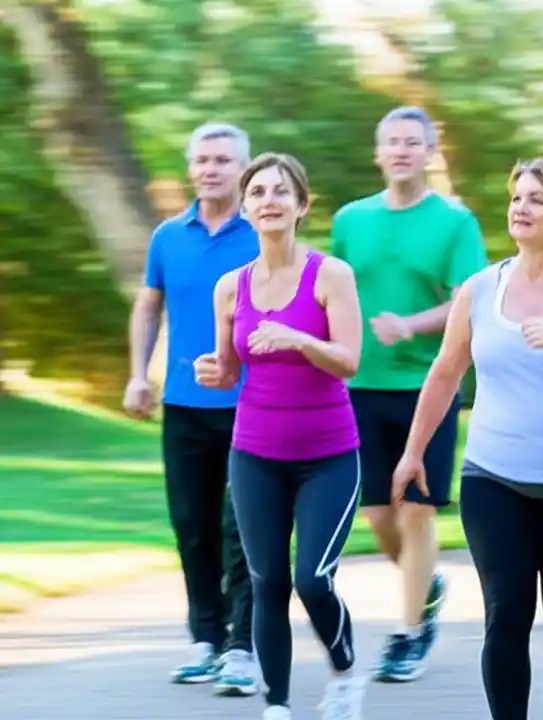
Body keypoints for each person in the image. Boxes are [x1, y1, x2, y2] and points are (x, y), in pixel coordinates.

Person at [391, 157, 543, 720]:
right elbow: (446, 373)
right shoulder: (478, 290)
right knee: (506, 613)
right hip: (495, 479)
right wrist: (413, 452)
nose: (520, 209)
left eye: (536, 200)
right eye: (516, 198)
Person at [195, 152, 367, 720]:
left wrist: (298, 339)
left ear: (302, 205)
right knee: (268, 579)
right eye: (259, 192)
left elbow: (348, 361)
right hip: (255, 454)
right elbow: (229, 367)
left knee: (312, 579)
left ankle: (344, 673)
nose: (269, 201)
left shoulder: (330, 275)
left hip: (329, 457)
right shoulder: (230, 287)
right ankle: (279, 704)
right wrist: (213, 371)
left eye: (280, 192)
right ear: (245, 209)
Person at [330, 106, 489, 682]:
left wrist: (411, 324)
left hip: (429, 387)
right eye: (391, 142)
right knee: (378, 517)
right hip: (359, 388)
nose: (401, 151)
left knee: (417, 513)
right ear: (379, 153)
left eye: (412, 142)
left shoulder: (454, 223)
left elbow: (469, 300)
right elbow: (333, 293)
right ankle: (427, 586)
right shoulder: (351, 220)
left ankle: (409, 634)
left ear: (429, 152)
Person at [125, 121, 259, 694]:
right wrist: (137, 375)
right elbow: (148, 307)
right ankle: (205, 638)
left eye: (223, 160)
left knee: (244, 526)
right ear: (190, 168)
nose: (211, 168)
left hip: (252, 404)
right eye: (202, 159)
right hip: (183, 403)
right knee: (192, 525)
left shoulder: (262, 234)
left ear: (242, 169)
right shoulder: (167, 237)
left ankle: (243, 648)